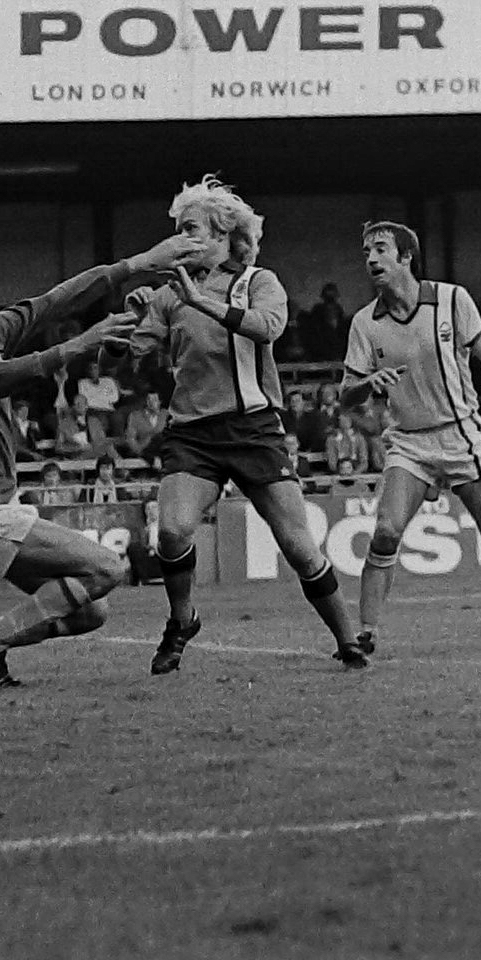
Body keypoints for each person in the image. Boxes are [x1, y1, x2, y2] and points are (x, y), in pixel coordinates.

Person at [0, 229, 202, 688]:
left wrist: (140, 262)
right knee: (108, 568)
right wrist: (77, 345)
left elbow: (54, 301)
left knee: (92, 612)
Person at [127, 180, 367, 674]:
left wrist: (199, 299)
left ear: (221, 233)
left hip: (254, 429)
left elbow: (267, 327)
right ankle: (182, 619)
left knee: (300, 548)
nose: (178, 238)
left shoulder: (259, 281)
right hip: (192, 433)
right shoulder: (169, 293)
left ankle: (348, 639)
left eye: (188, 228)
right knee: (170, 532)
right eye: (176, 230)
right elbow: (127, 352)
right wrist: (125, 325)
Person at [338, 220, 481, 654]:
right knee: (386, 531)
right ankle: (364, 634)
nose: (371, 258)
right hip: (410, 442)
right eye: (367, 251)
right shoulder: (365, 324)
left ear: (406, 257)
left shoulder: (451, 299)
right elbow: (346, 396)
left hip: (464, 433)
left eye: (381, 249)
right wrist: (368, 381)